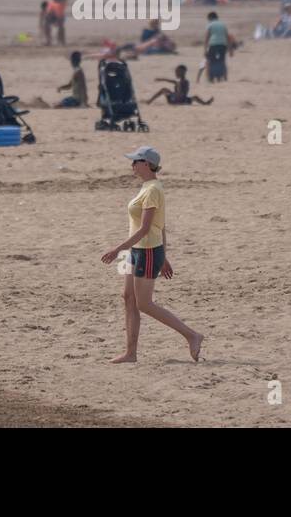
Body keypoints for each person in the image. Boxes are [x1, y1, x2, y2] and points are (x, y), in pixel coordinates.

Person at [100, 146, 203, 364]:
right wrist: (164, 256)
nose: (132, 166)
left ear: (146, 164)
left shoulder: (153, 189)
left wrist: (117, 249)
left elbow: (146, 228)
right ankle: (131, 353)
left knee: (144, 304)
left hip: (147, 251)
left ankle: (192, 335)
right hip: (138, 250)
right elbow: (161, 225)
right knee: (128, 298)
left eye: (135, 161)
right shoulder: (147, 187)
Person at [146, 65, 212, 105]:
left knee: (164, 90)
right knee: (195, 97)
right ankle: (205, 103)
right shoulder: (180, 81)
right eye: (176, 72)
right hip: (178, 99)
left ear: (182, 73)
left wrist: (178, 87)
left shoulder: (184, 82)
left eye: (177, 72)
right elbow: (169, 80)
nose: (176, 73)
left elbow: (182, 93)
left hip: (176, 100)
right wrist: (161, 79)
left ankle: (149, 101)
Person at [201, 11, 229, 82]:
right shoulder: (223, 24)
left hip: (213, 44)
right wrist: (230, 48)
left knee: (210, 61)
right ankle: (225, 78)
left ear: (210, 18)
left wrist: (205, 49)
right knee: (222, 61)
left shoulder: (210, 25)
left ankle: (209, 78)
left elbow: (207, 37)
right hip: (222, 45)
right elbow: (227, 36)